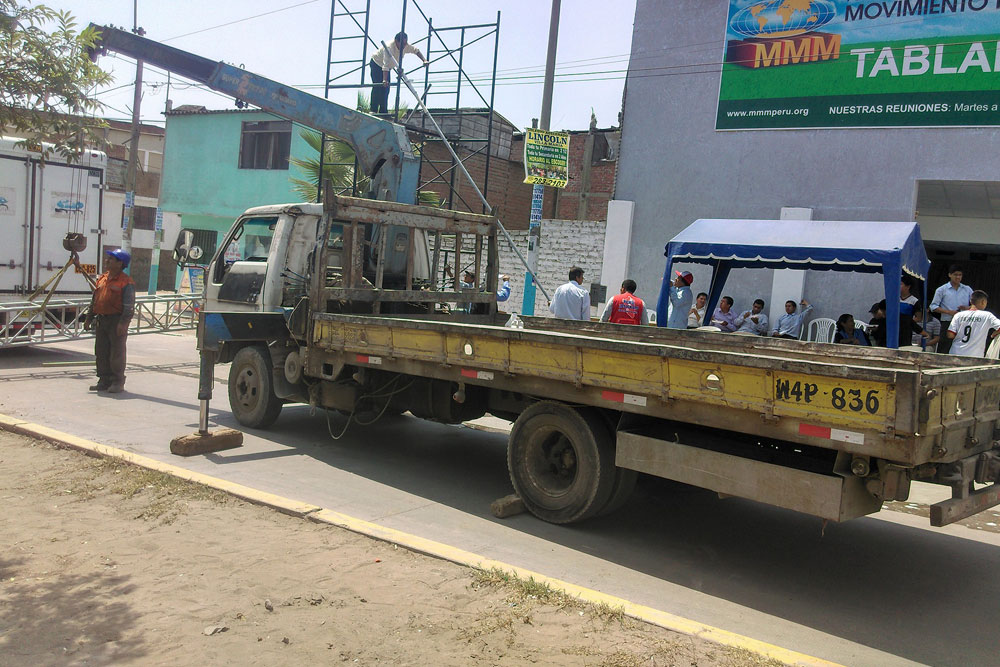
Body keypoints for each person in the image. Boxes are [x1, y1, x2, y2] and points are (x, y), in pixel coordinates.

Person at [73, 248, 135, 393]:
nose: (107, 261)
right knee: (101, 352)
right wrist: (89, 318)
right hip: (102, 320)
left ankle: (117, 381)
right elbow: (95, 300)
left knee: (116, 353)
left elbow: (129, 306)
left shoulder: (126, 282)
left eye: (111, 259)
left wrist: (123, 324)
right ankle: (103, 380)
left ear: (120, 264)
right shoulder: (102, 278)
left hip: (116, 321)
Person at [369, 32, 429, 114]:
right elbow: (385, 65)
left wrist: (424, 60)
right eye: (402, 44)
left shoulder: (405, 46)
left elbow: (416, 51)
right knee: (378, 86)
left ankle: (383, 111)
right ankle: (373, 110)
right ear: (396, 41)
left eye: (405, 43)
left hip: (388, 68)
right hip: (377, 64)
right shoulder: (389, 48)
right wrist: (384, 80)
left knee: (386, 89)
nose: (404, 46)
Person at [930, 265, 973, 354]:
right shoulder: (942, 290)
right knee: (945, 346)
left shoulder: (967, 289)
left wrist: (967, 308)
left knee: (962, 345)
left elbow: (976, 305)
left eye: (960, 275)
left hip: (963, 322)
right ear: (950, 275)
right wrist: (949, 312)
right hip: (947, 322)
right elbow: (933, 306)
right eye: (955, 274)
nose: (958, 277)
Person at [947, 290, 1000, 357]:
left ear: (971, 301)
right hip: (975, 356)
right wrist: (995, 333)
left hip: (955, 354)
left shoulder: (958, 315)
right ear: (983, 302)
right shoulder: (987, 315)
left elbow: (950, 335)